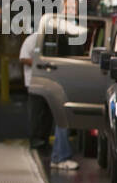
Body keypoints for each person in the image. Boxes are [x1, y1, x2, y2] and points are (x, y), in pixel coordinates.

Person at [19, 29, 78, 171]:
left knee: (47, 116)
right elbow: (23, 58)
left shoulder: (53, 41)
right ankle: (37, 143)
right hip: (34, 82)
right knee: (37, 115)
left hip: (49, 83)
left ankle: (44, 143)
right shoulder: (32, 40)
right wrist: (39, 62)